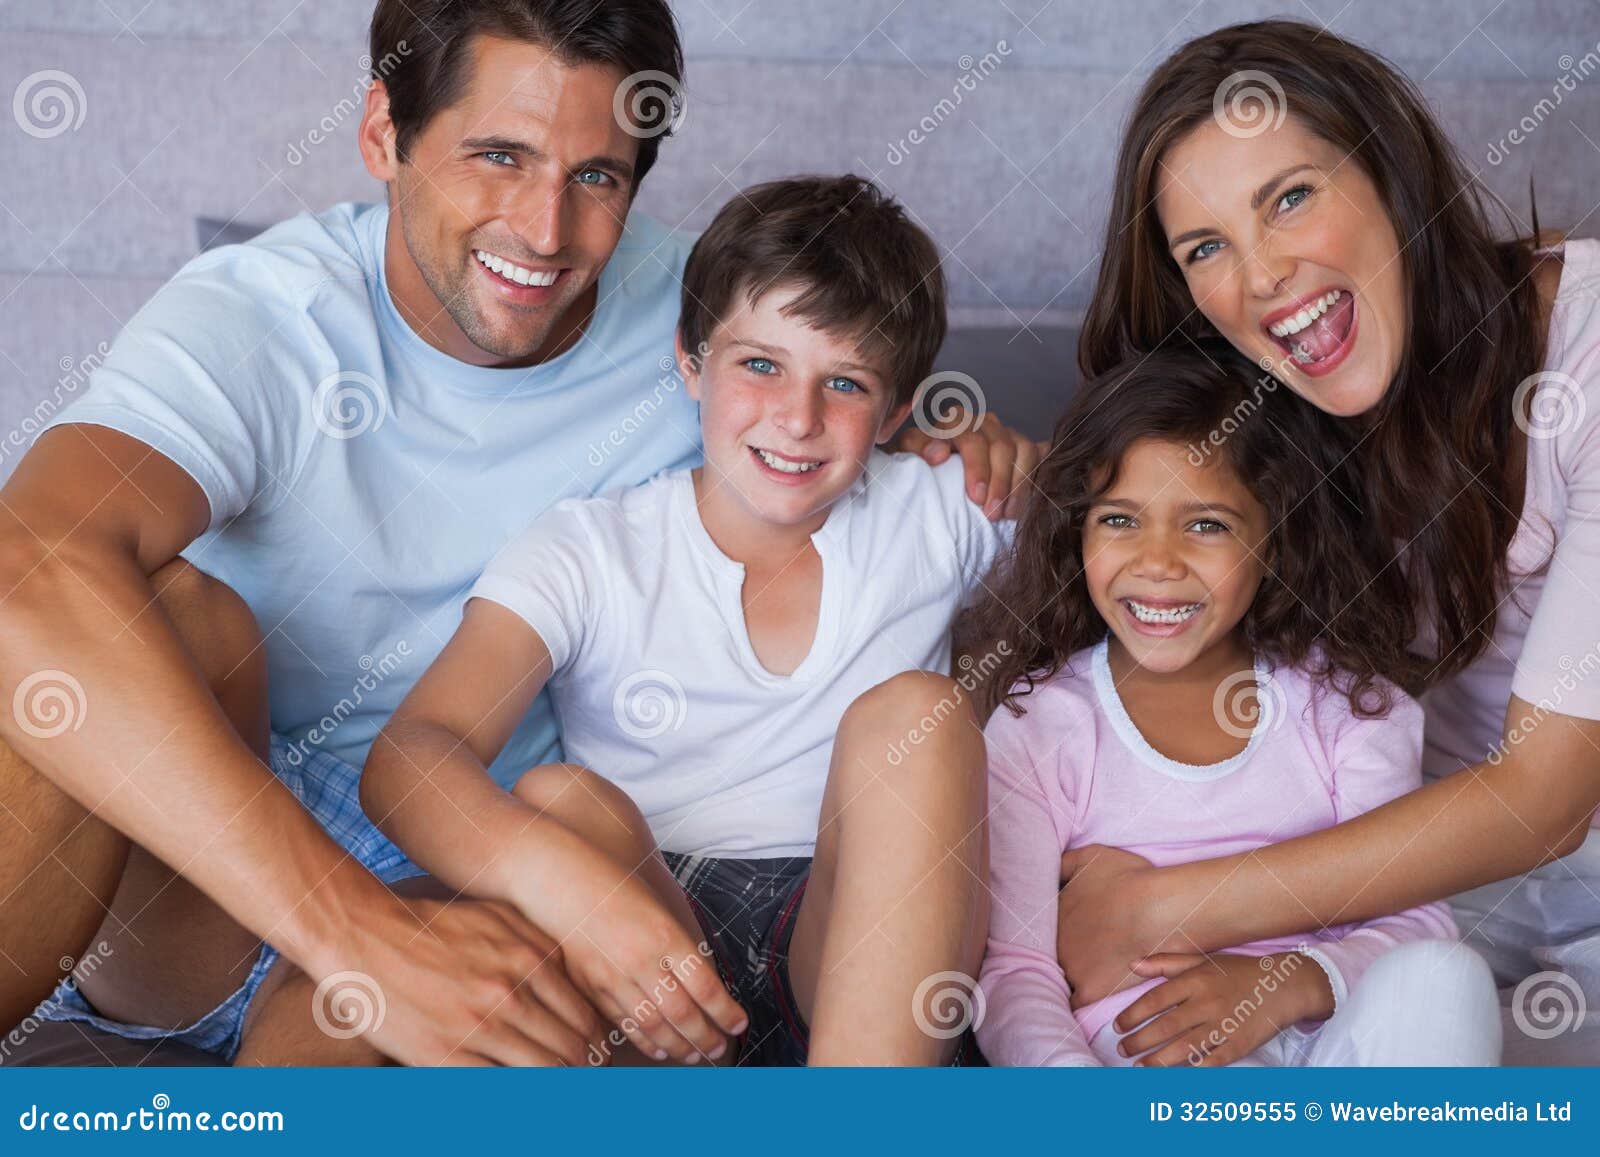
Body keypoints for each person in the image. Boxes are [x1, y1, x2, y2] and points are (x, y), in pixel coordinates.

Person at [3, 0, 1034, 1065]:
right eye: (498, 155)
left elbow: (823, 372)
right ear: (382, 134)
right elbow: (24, 566)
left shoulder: (707, 313)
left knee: (354, 1023)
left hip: (477, 869)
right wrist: (357, 934)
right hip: (210, 866)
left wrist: (956, 433)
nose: (545, 232)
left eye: (596, 177)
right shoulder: (268, 316)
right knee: (151, 609)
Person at [310, 175, 1011, 1067]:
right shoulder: (592, 548)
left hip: (851, 935)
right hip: (650, 936)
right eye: (759, 364)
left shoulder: (938, 511)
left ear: (898, 410)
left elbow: (1145, 532)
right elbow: (412, 761)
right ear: (690, 360)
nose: (797, 420)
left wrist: (1017, 453)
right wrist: (558, 882)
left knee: (919, 715)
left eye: (845, 382)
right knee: (561, 798)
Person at [1057, 18, 1600, 1054]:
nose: (1262, 277)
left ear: (1392, 174)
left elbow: (1546, 800)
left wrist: (1159, 907)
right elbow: (1126, 524)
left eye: (1291, 197)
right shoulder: (1260, 407)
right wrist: (973, 459)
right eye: (1205, 247)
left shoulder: (1583, 356)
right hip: (1375, 880)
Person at [969, 351, 1501, 1067]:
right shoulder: (1039, 725)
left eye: (1208, 525)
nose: (1158, 562)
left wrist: (1286, 985)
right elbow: (1016, 972)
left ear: (1274, 540)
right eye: (1121, 518)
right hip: (1150, 1074)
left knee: (1447, 976)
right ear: (1077, 533)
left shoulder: (1351, 707)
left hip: (1333, 1055)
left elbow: (1414, 919)